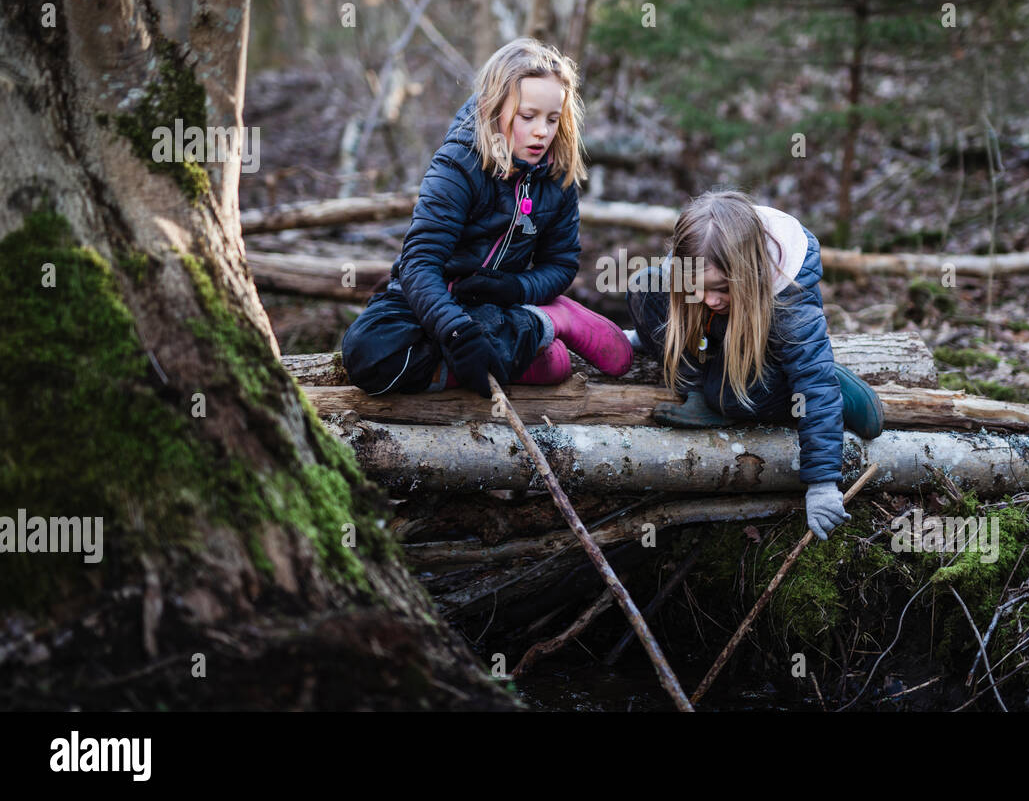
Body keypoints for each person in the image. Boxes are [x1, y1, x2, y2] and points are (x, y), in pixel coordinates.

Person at [341, 38, 632, 398]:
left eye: (552, 119)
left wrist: (516, 289)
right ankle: (523, 352)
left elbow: (560, 263)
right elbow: (419, 264)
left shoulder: (557, 179)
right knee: (366, 354)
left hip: (499, 304)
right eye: (528, 117)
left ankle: (555, 319)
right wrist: (457, 334)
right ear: (492, 109)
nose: (542, 130)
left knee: (523, 350)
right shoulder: (458, 164)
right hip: (430, 298)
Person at [624, 190, 884, 540]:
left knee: (730, 398)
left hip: (768, 360)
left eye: (720, 288)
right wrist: (654, 332)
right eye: (698, 288)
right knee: (645, 285)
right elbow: (683, 296)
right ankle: (705, 386)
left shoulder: (790, 299)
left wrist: (822, 484)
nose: (709, 299)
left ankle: (844, 389)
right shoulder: (696, 258)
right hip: (722, 342)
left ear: (748, 272)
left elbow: (815, 389)